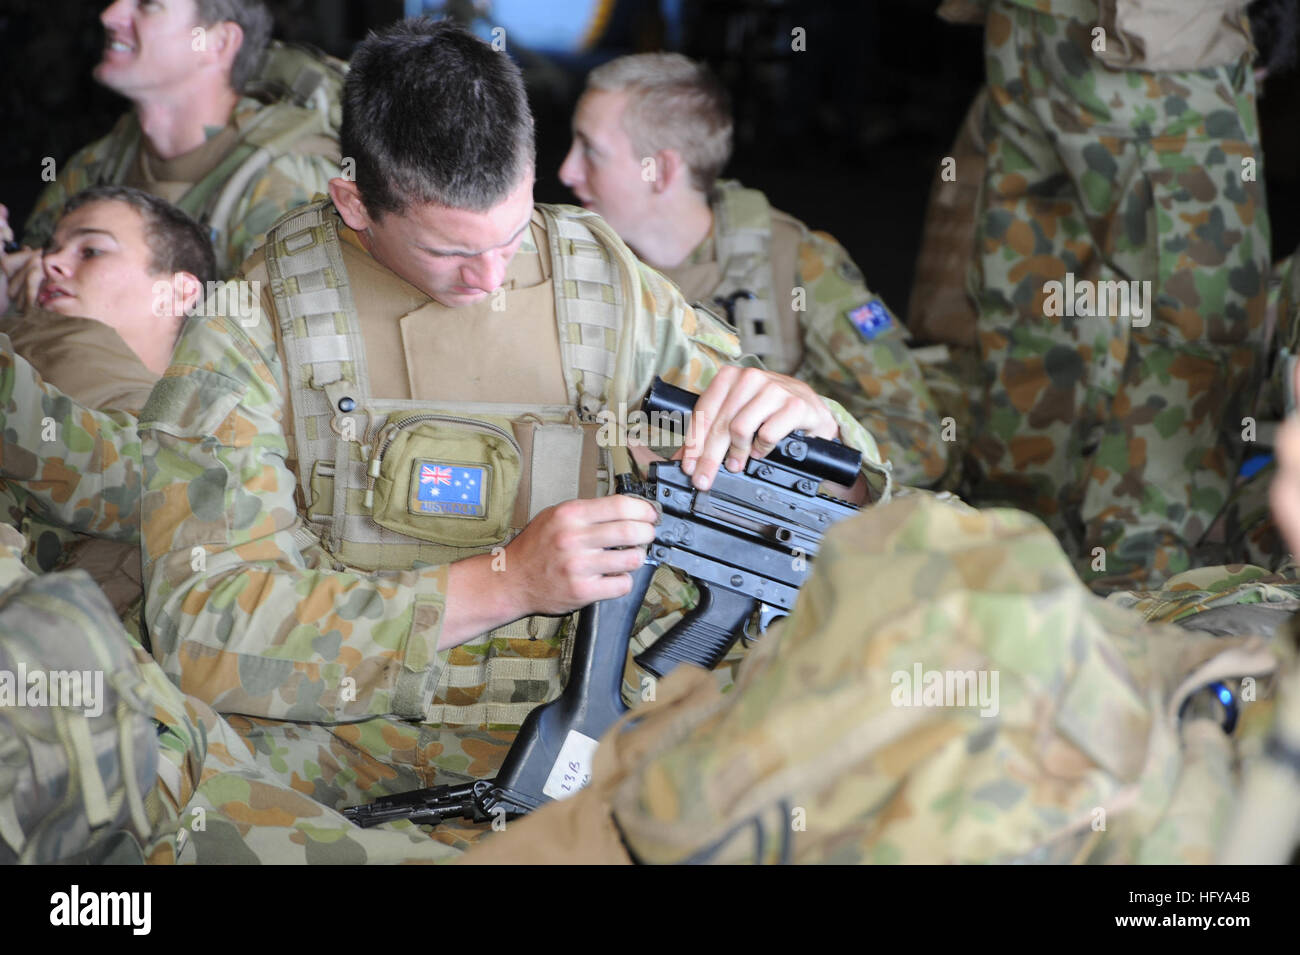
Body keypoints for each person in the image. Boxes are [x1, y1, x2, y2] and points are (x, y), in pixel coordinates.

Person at [137, 18, 888, 844]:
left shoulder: (600, 281)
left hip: (607, 747)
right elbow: (204, 627)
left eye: (513, 231)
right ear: (354, 201)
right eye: (450, 252)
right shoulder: (254, 329)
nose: (492, 277)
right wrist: (505, 583)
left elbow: (828, 488)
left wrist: (820, 429)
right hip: (342, 759)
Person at [962, 0, 1269, 592]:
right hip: (1152, 39)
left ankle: (1011, 549)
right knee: (1206, 317)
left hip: (1025, 27)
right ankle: (1131, 580)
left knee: (1044, 293)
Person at [558, 52, 948, 489]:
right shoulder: (576, 268)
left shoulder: (796, 265)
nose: (567, 171)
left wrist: (791, 463)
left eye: (591, 151)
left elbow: (919, 441)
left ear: (661, 170)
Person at [1, 0, 339, 299]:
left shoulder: (287, 178)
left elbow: (284, 353)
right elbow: (31, 277)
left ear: (217, 43)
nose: (109, 15)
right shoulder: (100, 162)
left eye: (147, 4)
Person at [0, 185, 215, 625]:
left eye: (91, 251)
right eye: (52, 249)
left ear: (177, 292)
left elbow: (154, 478)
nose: (50, 262)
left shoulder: (185, 434)